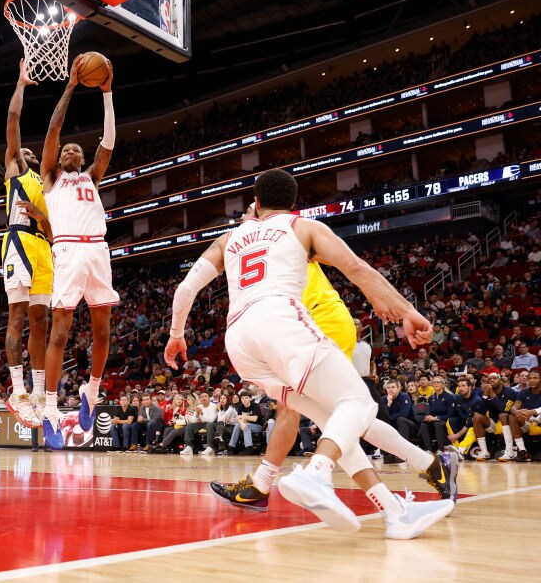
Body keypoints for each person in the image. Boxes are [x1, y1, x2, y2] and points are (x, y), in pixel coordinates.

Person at [165, 168, 453, 538]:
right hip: (282, 321)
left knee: (334, 420)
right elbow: (357, 268)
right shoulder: (302, 227)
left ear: (256, 202)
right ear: (294, 203)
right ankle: (317, 473)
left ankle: (395, 511)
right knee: (358, 404)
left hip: (239, 339)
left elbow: (185, 289)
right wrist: (408, 311)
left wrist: (176, 335)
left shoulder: (230, 238)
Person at [38, 54, 118, 450]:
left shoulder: (91, 176)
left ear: (82, 159)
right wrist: (70, 86)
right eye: (65, 150)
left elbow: (109, 142)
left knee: (103, 332)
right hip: (68, 252)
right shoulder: (51, 178)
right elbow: (54, 129)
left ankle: (91, 389)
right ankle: (51, 410)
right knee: (61, 333)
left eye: (75, 149)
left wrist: (106, 93)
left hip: (98, 251)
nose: (69, 150)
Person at [0, 60, 53, 429]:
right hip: (18, 241)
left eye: (33, 154)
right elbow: (13, 121)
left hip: (43, 247)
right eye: (25, 153)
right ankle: (17, 391)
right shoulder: (17, 169)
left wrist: (40, 216)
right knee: (17, 315)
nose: (29, 154)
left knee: (40, 321)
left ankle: (38, 393)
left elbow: (53, 230)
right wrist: (20, 84)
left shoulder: (47, 186)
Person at [508, 370, 541, 461]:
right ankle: (522, 450)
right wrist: (517, 412)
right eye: (529, 378)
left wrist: (532, 411)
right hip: (530, 423)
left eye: (535, 378)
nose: (532, 380)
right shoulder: (523, 392)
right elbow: (513, 407)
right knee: (512, 417)